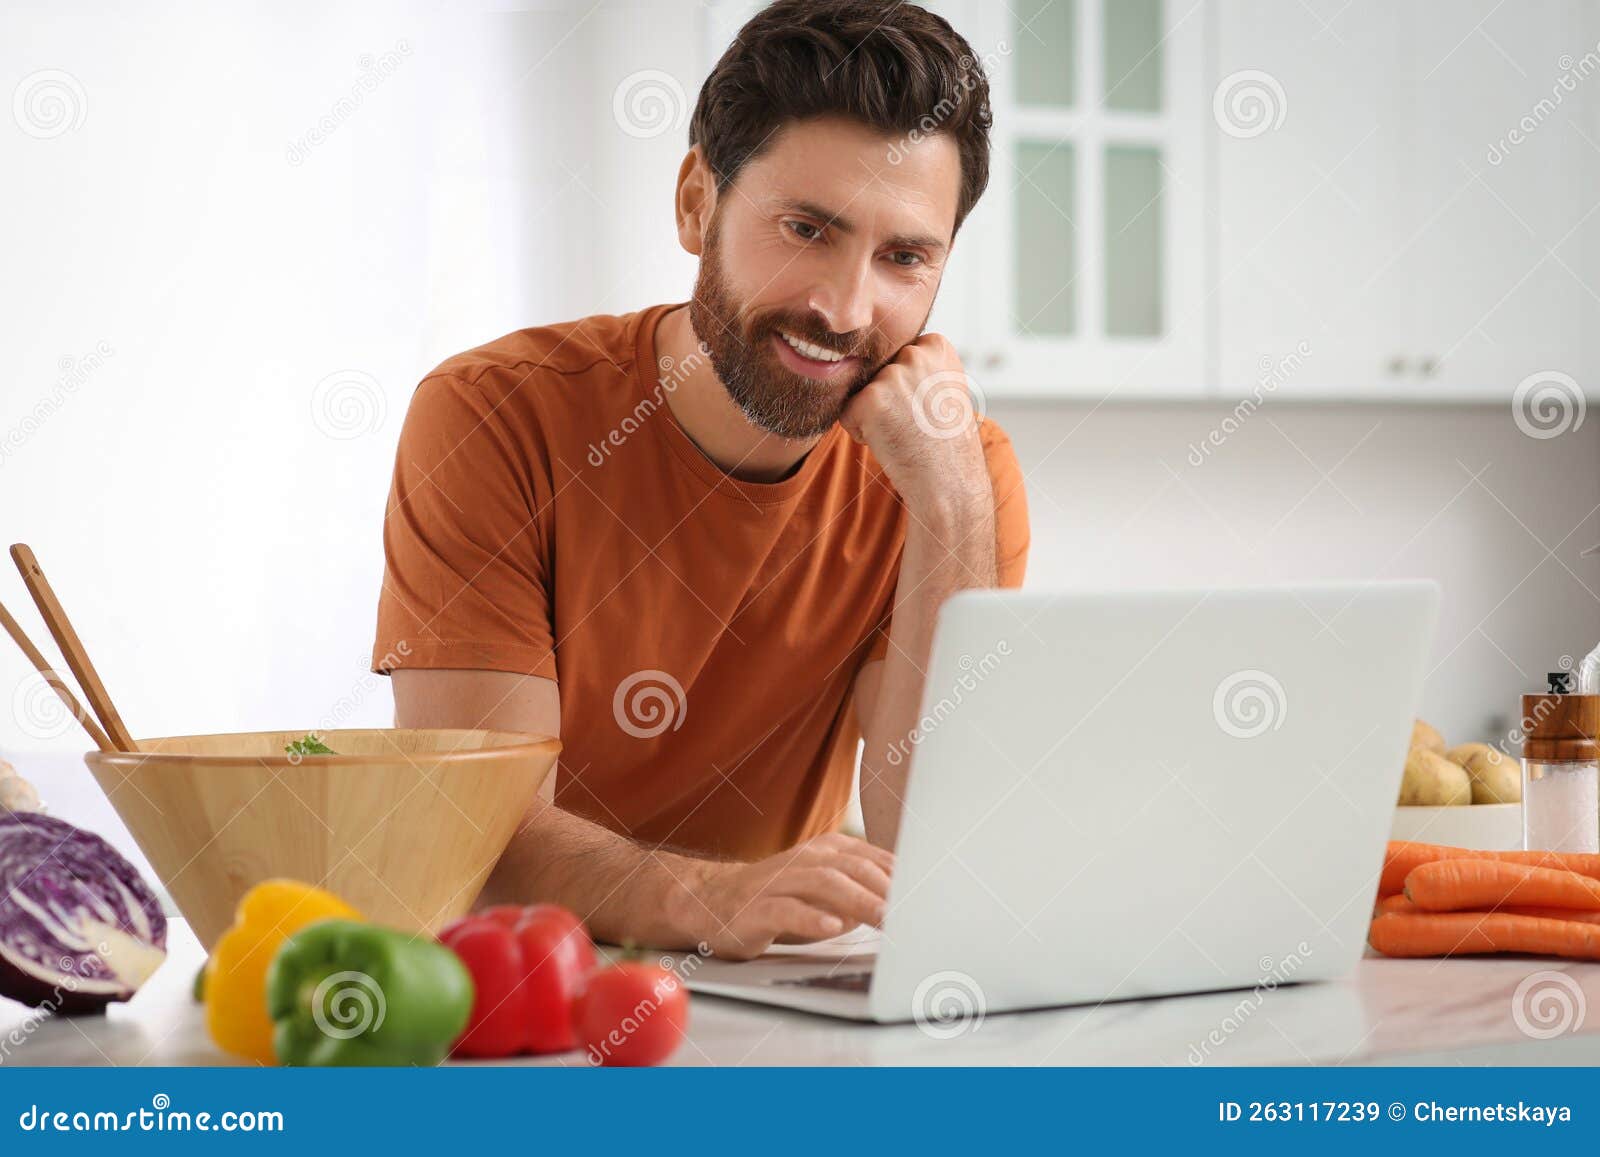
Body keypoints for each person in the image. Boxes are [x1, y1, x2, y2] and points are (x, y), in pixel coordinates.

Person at [372, 0, 1029, 959]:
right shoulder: (494, 416)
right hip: (522, 986)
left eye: (903, 257)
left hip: (766, 997)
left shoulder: (958, 477)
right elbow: (476, 836)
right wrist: (713, 896)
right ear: (695, 203)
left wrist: (952, 499)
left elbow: (937, 847)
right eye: (806, 229)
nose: (846, 308)